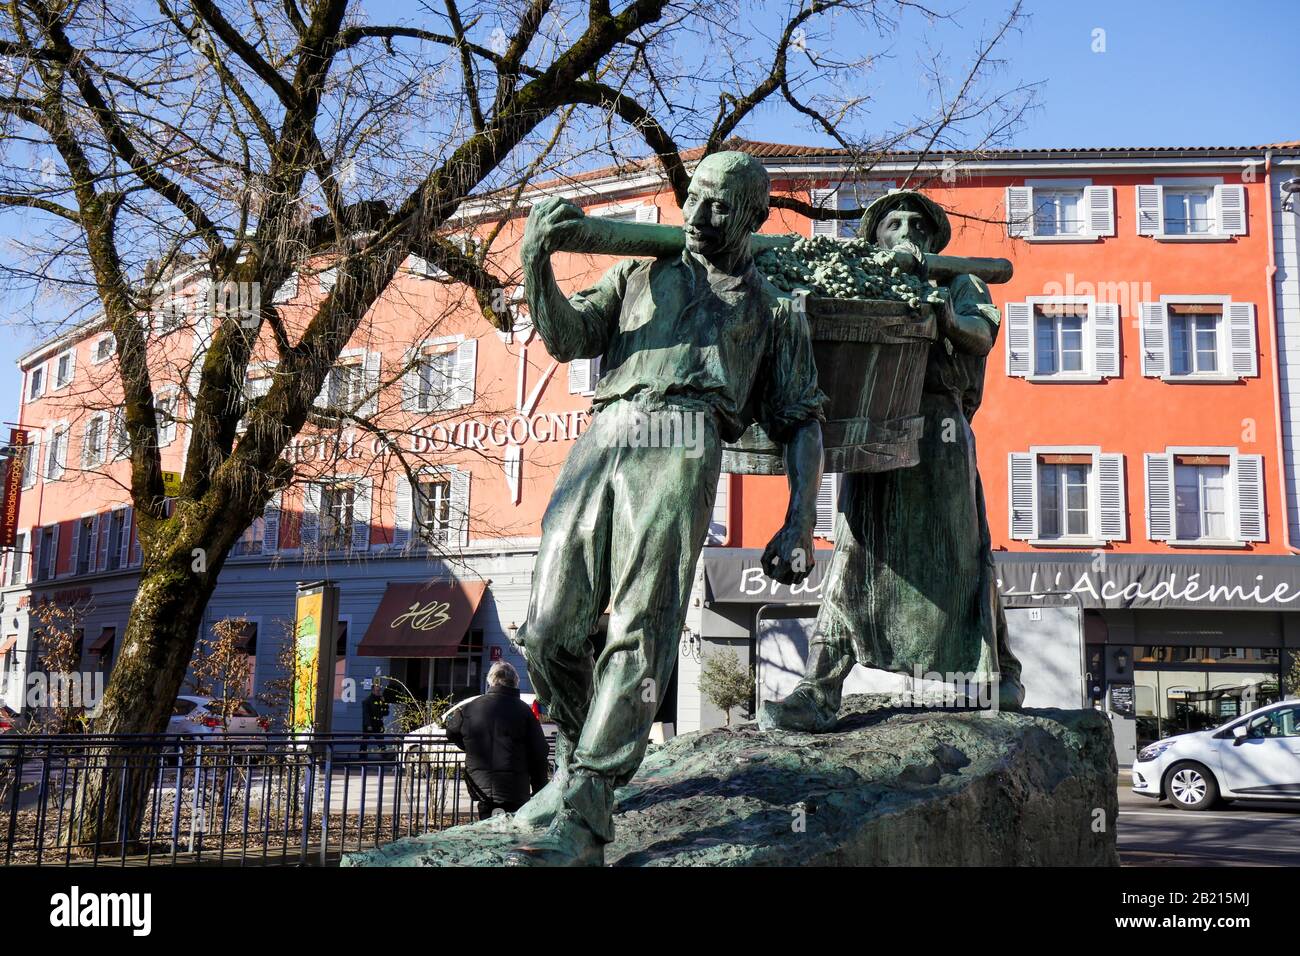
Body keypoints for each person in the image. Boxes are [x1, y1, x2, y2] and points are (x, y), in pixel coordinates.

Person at [509, 151, 827, 865]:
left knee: (638, 628)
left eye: (719, 205)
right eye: (695, 199)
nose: (697, 216)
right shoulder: (640, 269)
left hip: (686, 438)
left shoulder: (774, 308)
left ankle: (586, 810)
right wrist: (537, 263)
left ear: (752, 216)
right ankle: (579, 766)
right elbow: (567, 338)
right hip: (606, 432)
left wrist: (800, 518)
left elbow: (803, 419)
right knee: (546, 630)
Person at [761, 189, 1024, 734]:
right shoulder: (863, 277)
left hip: (938, 426)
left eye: (915, 223)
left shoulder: (958, 280)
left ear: (930, 237)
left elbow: (980, 336)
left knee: (960, 551)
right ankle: (821, 686)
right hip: (875, 422)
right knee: (855, 550)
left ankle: (1002, 670)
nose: (905, 229)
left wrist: (940, 310)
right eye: (892, 222)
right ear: (875, 236)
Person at [445, 662, 550, 820]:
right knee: (513, 834)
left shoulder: (469, 708)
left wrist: (470, 747)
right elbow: (539, 752)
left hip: (481, 787)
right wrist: (539, 790)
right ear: (515, 682)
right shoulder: (523, 711)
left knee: (487, 828)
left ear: (490, 681)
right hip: (515, 788)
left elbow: (451, 731)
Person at [361, 676, 389, 756]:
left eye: (379, 690)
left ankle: (384, 756)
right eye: (377, 690)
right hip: (370, 723)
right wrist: (368, 725)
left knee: (380, 741)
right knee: (365, 742)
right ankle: (362, 757)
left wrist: (384, 703)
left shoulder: (380, 700)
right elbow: (366, 714)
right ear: (373, 690)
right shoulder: (367, 701)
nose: (379, 691)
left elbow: (386, 712)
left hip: (378, 723)